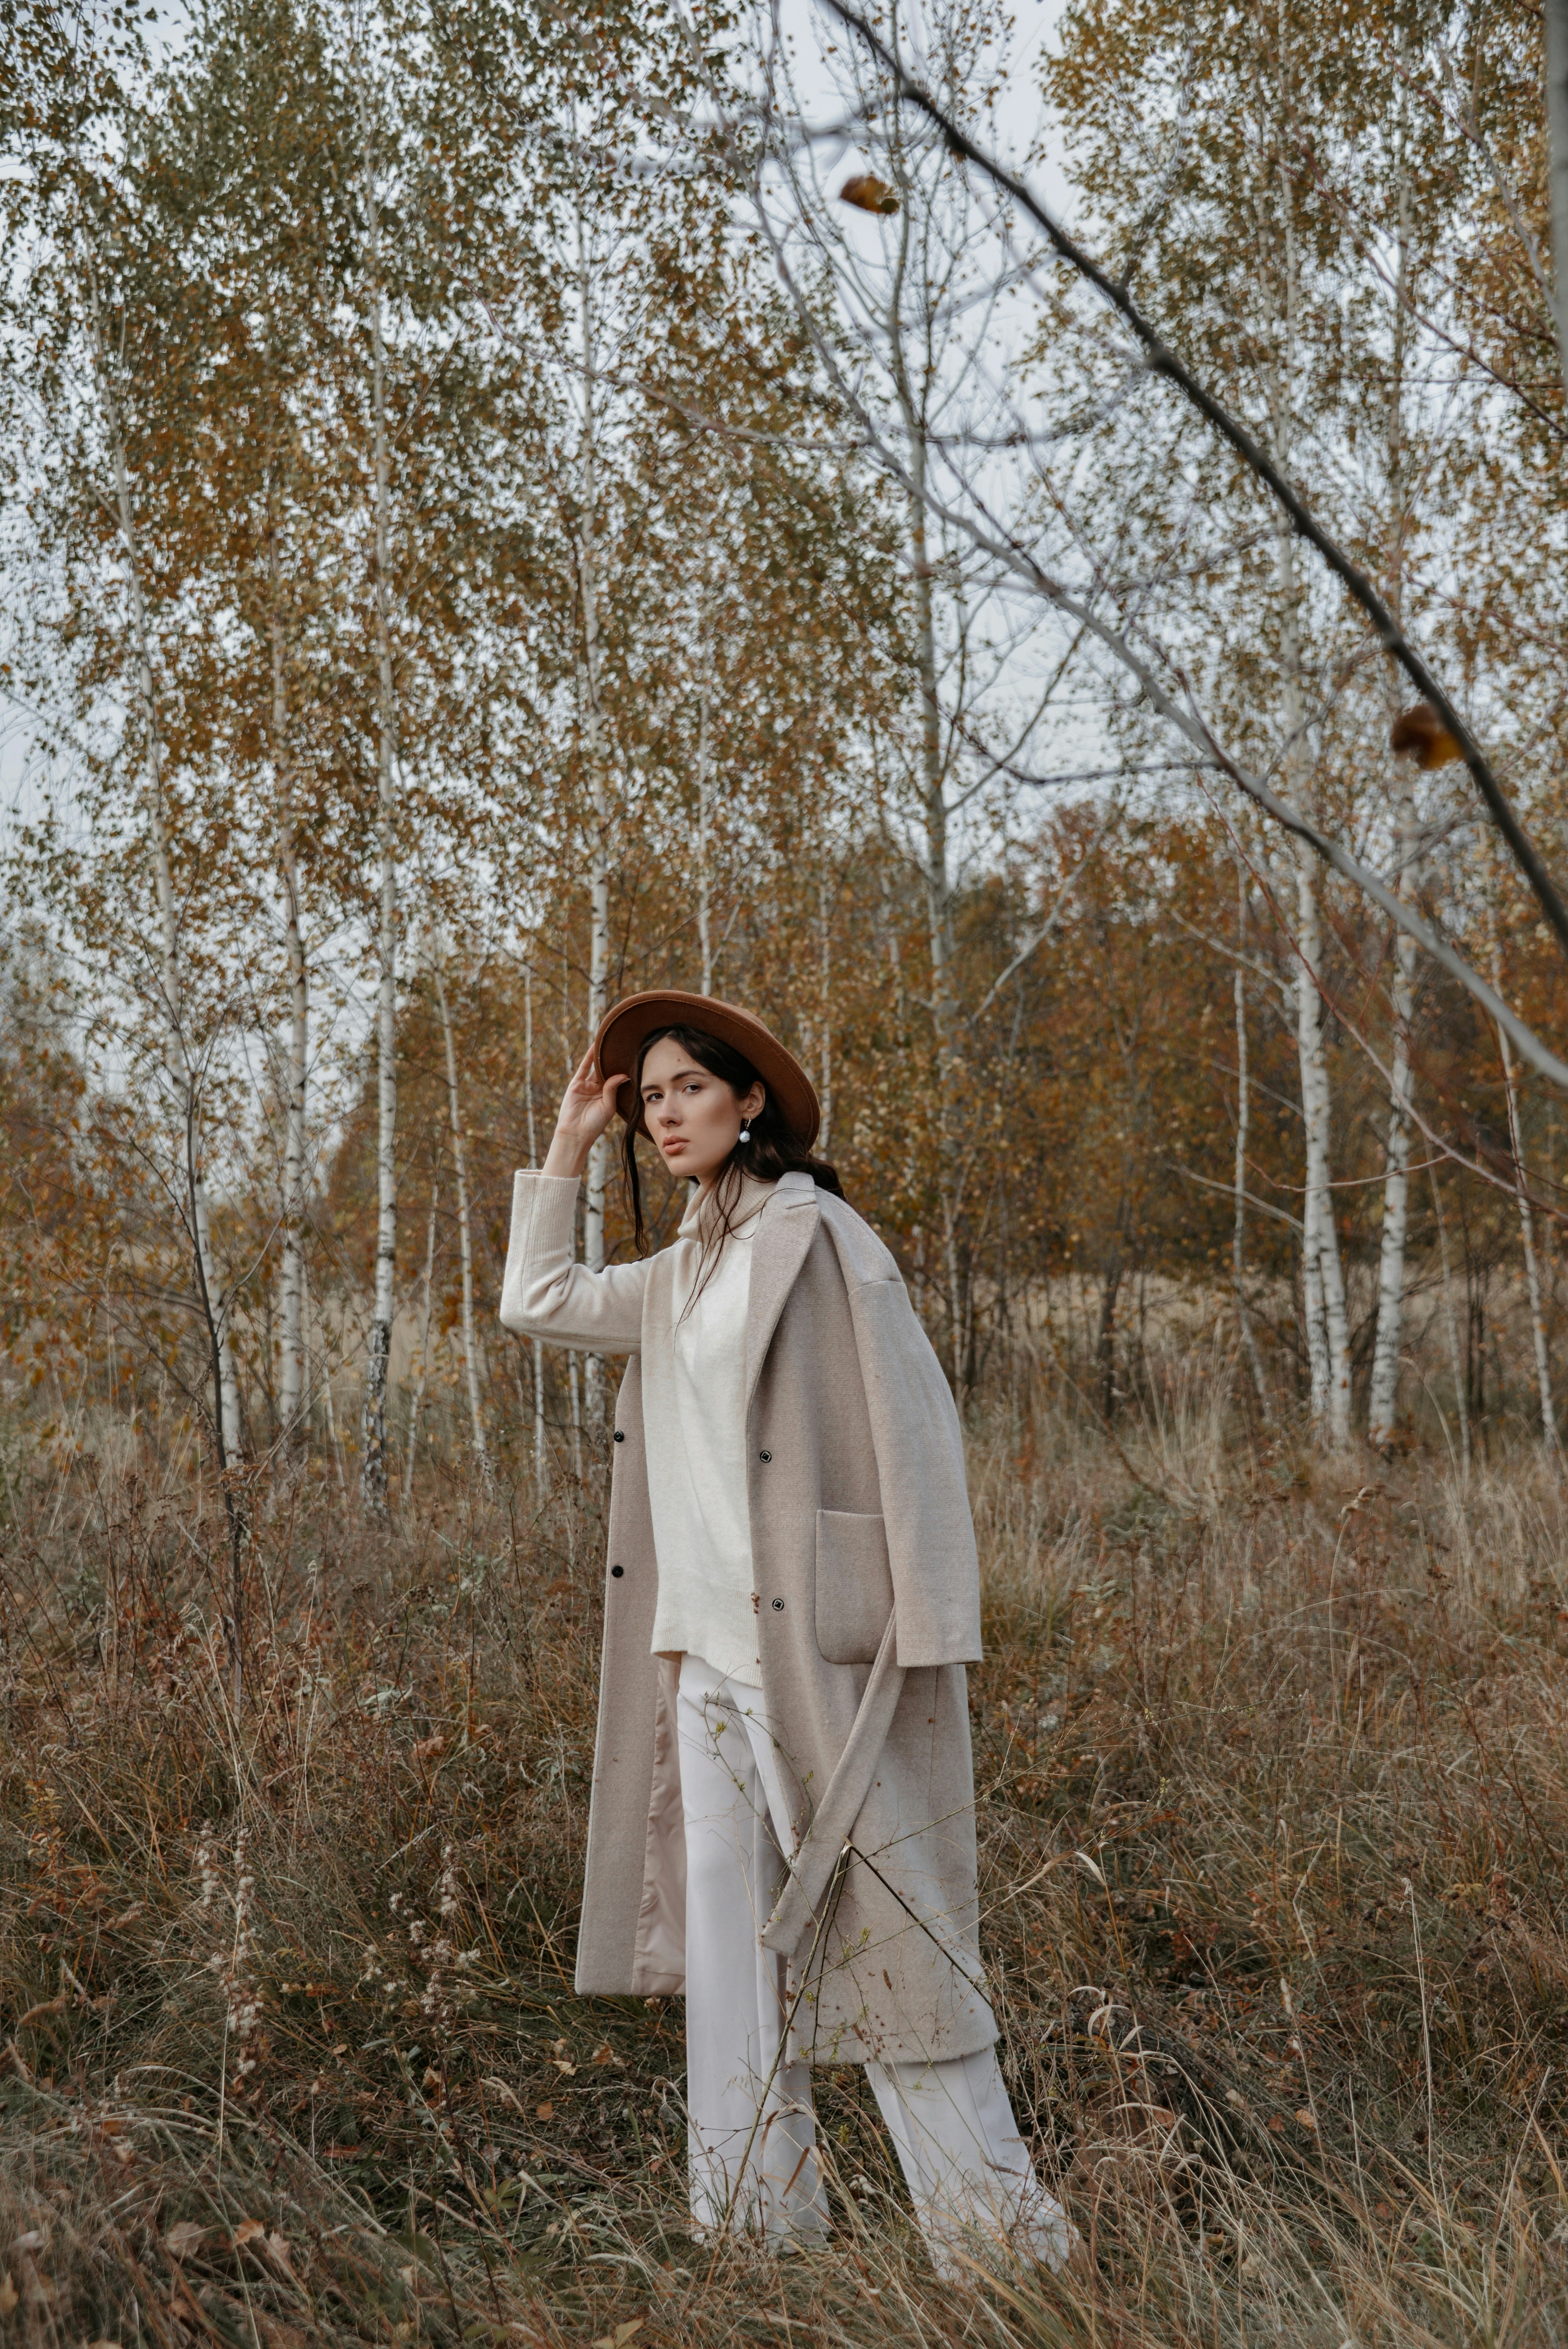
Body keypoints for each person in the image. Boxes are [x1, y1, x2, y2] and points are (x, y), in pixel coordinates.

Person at [499, 988, 1076, 2277]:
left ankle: (1005, 2256)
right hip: (698, 1659)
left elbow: (916, 1429)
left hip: (815, 1654)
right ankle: (755, 2231)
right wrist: (568, 1142)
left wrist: (916, 1629)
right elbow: (534, 1299)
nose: (664, 1117)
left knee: (898, 1940)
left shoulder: (817, 1240)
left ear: (749, 1099)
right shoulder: (681, 1266)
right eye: (648, 1100)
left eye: (687, 1091)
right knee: (729, 1967)